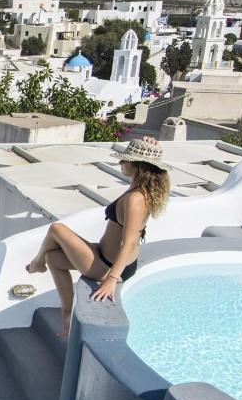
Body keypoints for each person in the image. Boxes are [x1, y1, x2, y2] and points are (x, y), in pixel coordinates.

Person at [26, 136, 171, 336]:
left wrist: (112, 279)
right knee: (54, 258)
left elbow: (129, 241)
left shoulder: (136, 198)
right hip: (105, 256)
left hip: (110, 267)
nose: (121, 162)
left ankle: (37, 264)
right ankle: (66, 315)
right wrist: (151, 148)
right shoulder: (138, 189)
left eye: (125, 159)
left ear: (138, 165)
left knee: (57, 229)